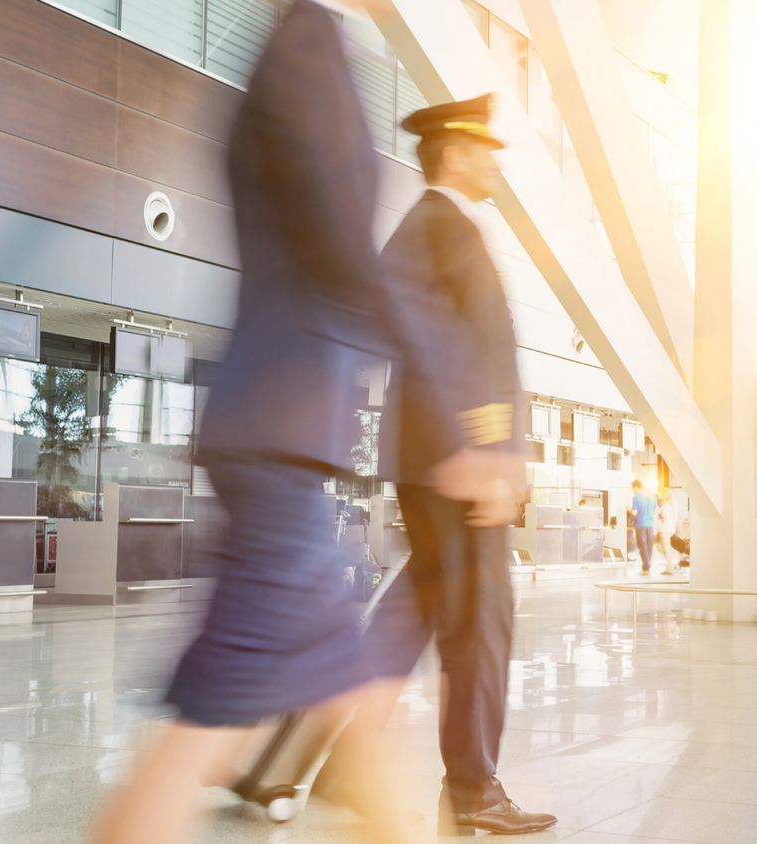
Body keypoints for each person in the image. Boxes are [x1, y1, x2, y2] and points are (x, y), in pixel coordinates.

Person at [89, 6, 508, 843]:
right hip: (280, 437)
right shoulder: (307, 41)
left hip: (285, 434)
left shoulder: (300, 43)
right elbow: (346, 254)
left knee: (349, 704)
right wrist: (461, 435)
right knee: (212, 720)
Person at [313, 94, 556, 836]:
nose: (494, 161)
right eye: (484, 150)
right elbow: (443, 348)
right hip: (454, 462)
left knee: (415, 609)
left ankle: (343, 766)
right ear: (454, 153)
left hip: (440, 457)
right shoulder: (440, 227)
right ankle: (474, 789)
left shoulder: (438, 228)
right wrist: (480, 450)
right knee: (480, 623)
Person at [628, 480, 658, 574]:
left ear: (636, 487)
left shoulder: (636, 497)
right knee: (649, 547)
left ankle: (645, 569)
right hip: (650, 525)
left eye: (633, 488)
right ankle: (647, 567)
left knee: (643, 547)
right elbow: (657, 510)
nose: (633, 490)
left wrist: (627, 508)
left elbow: (634, 513)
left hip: (641, 525)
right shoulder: (652, 497)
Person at [656, 488, 681, 575]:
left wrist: (657, 512)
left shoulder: (666, 505)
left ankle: (669, 569)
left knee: (666, 549)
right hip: (668, 529)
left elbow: (664, 516)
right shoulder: (670, 504)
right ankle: (669, 567)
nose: (658, 495)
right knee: (664, 548)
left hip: (665, 529)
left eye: (660, 493)